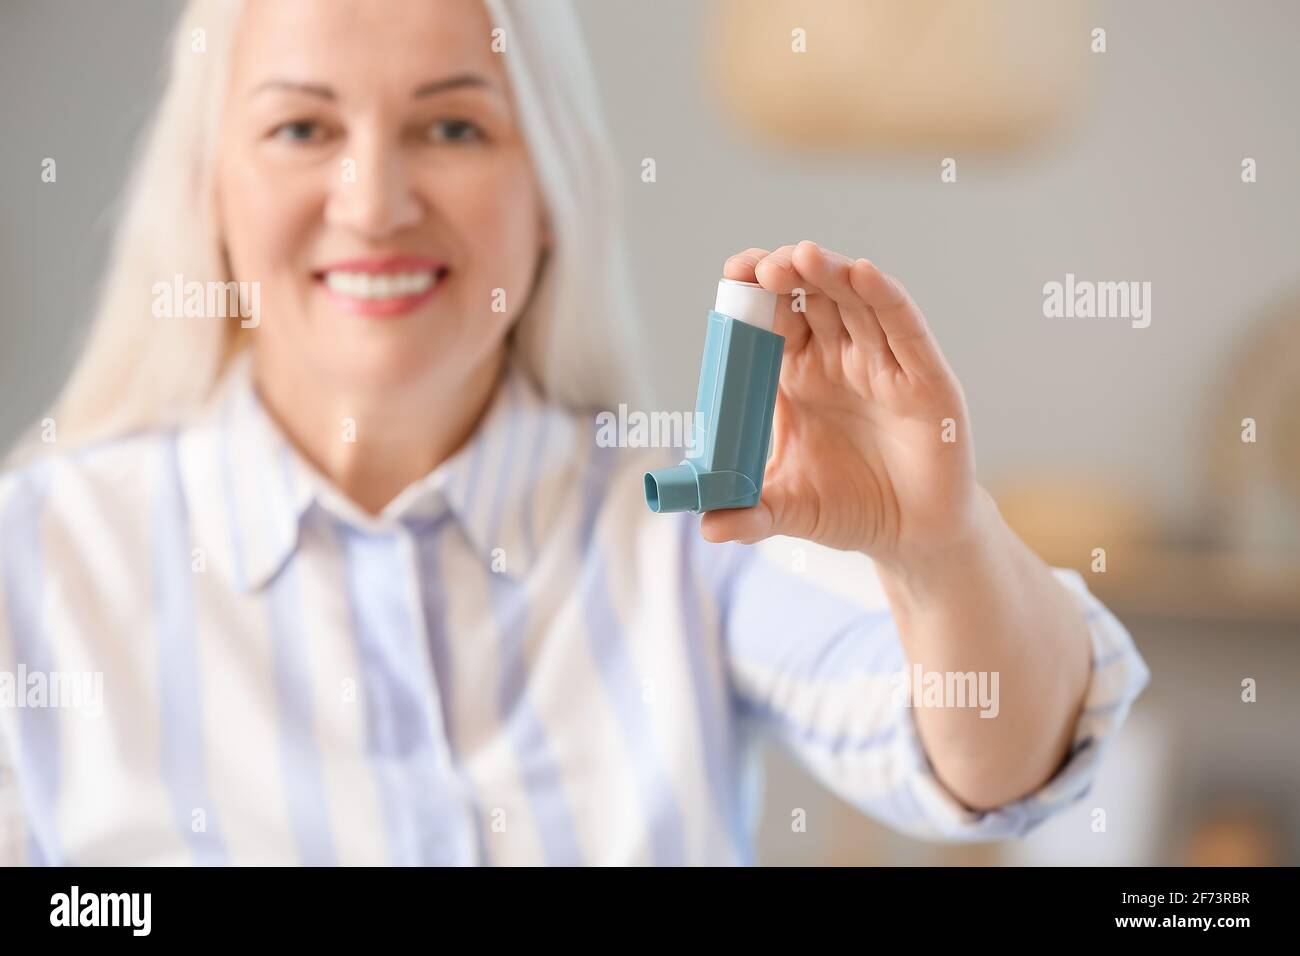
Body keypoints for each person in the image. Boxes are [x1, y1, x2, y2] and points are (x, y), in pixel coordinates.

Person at [0, 0, 1148, 866]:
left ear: (549, 187)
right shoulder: (39, 559)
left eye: (452, 124)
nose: (374, 201)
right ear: (209, 190)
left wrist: (937, 544)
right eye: (302, 127)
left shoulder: (692, 527)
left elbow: (1004, 758)